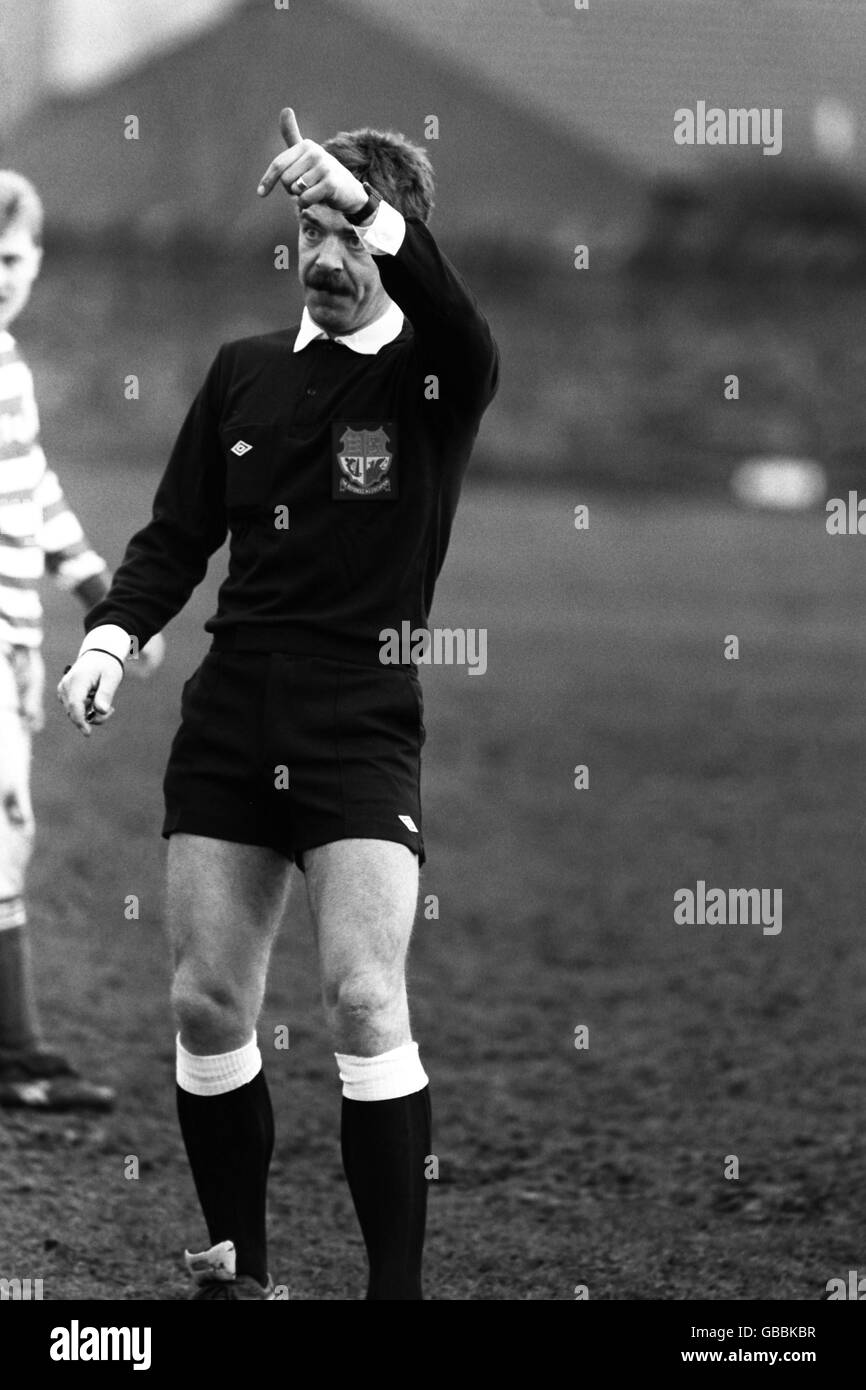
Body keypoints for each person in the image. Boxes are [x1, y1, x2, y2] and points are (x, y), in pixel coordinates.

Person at [58, 108, 499, 1299]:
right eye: (307, 227)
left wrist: (361, 200)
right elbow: (175, 534)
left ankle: (390, 1292)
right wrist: (111, 636)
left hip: (357, 712)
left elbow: (456, 312)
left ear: (389, 240)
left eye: (348, 232)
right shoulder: (243, 372)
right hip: (231, 711)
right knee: (205, 1000)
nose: (325, 257)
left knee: (362, 994)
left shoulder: (435, 374)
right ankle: (241, 1271)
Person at [0, 170, 163, 1111]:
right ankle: (16, 1053)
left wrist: (102, 593)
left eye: (13, 258)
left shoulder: (12, 365)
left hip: (19, 638)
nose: (2, 275)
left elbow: (34, 487)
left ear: (38, 260)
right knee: (6, 825)